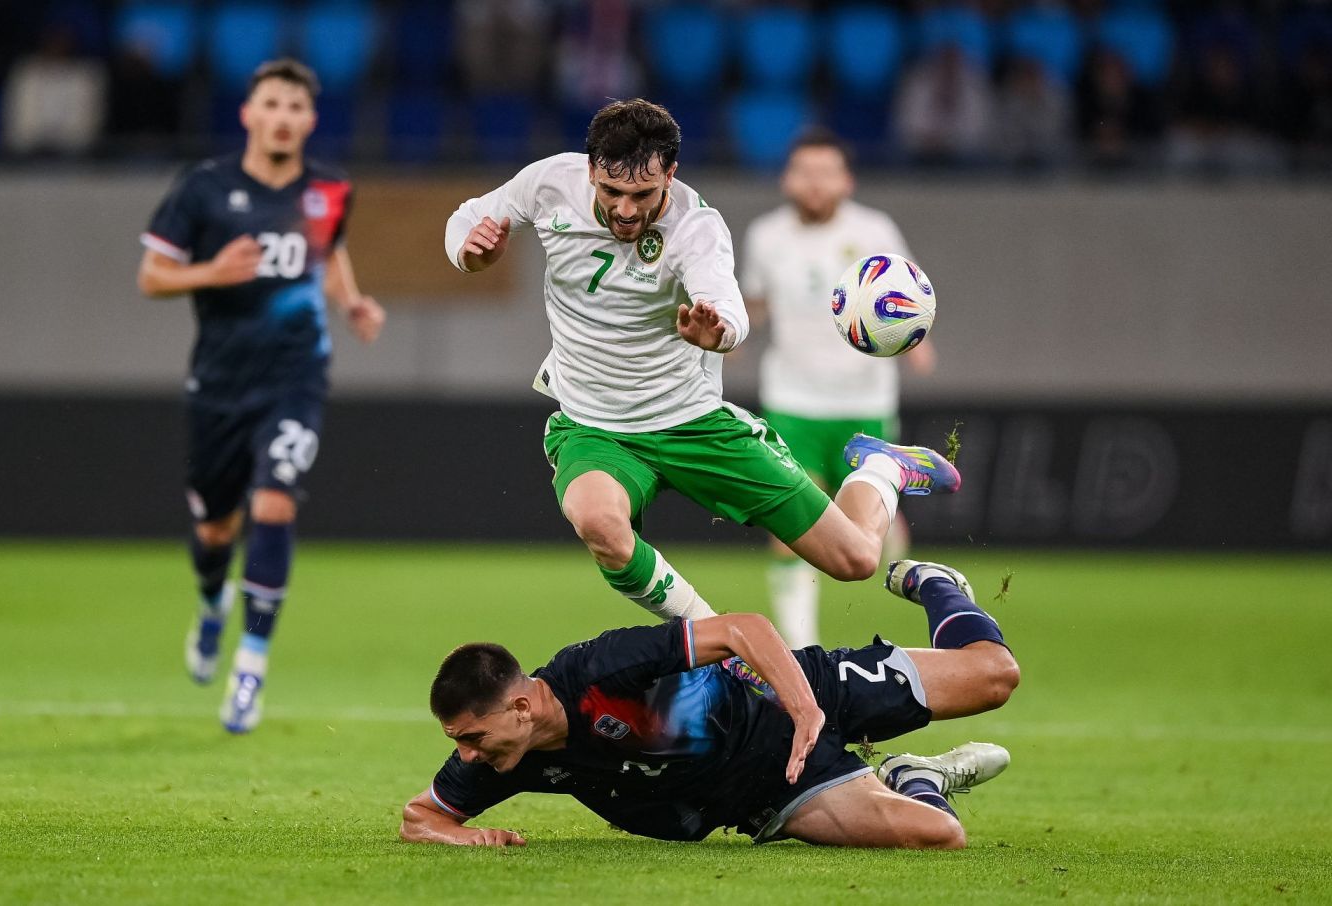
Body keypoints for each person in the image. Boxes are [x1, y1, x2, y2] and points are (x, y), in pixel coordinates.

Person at [444, 99, 959, 627]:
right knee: (598, 523)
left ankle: (883, 470)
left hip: (692, 422)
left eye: (643, 194)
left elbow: (729, 306)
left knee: (855, 561)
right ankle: (720, 642)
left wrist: (719, 332)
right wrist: (469, 252)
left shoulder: (697, 227)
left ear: (670, 173)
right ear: (591, 168)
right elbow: (466, 218)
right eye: (612, 191)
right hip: (594, 426)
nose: (626, 210)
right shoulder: (550, 182)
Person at [401, 559, 1019, 848]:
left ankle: (935, 585)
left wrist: (806, 708)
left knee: (995, 676)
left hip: (794, 692)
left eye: (472, 737)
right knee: (940, 835)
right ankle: (915, 777)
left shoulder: (597, 669)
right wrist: (466, 839)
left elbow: (742, 628)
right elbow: (419, 818)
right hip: (774, 790)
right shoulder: (505, 757)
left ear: (520, 707)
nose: (467, 755)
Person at [136, 58, 386, 733]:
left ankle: (250, 666)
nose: (282, 117)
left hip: (295, 377)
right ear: (248, 114)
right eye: (271, 104)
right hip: (219, 385)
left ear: (310, 120)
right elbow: (152, 276)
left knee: (274, 501)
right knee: (215, 530)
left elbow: (327, 252)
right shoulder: (204, 188)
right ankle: (211, 603)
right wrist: (211, 272)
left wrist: (351, 302)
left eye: (295, 107)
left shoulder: (330, 189)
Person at [740, 128, 938, 649]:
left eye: (826, 172)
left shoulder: (875, 231)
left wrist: (916, 341)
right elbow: (755, 303)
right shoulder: (766, 236)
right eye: (804, 171)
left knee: (859, 530)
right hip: (792, 401)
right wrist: (726, 336)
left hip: (863, 400)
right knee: (793, 522)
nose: (815, 182)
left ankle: (892, 524)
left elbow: (906, 297)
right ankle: (802, 648)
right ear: (787, 179)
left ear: (847, 180)